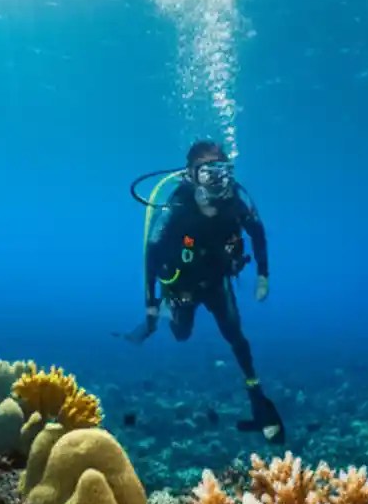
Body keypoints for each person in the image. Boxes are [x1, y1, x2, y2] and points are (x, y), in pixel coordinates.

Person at [121, 140, 285, 444]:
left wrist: (263, 276)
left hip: (217, 282)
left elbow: (258, 233)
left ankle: (257, 398)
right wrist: (151, 306)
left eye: (223, 173)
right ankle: (165, 316)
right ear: (192, 175)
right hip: (182, 286)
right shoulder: (177, 206)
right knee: (182, 334)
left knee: (237, 338)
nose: (218, 182)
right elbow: (152, 252)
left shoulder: (235, 201)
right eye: (209, 174)